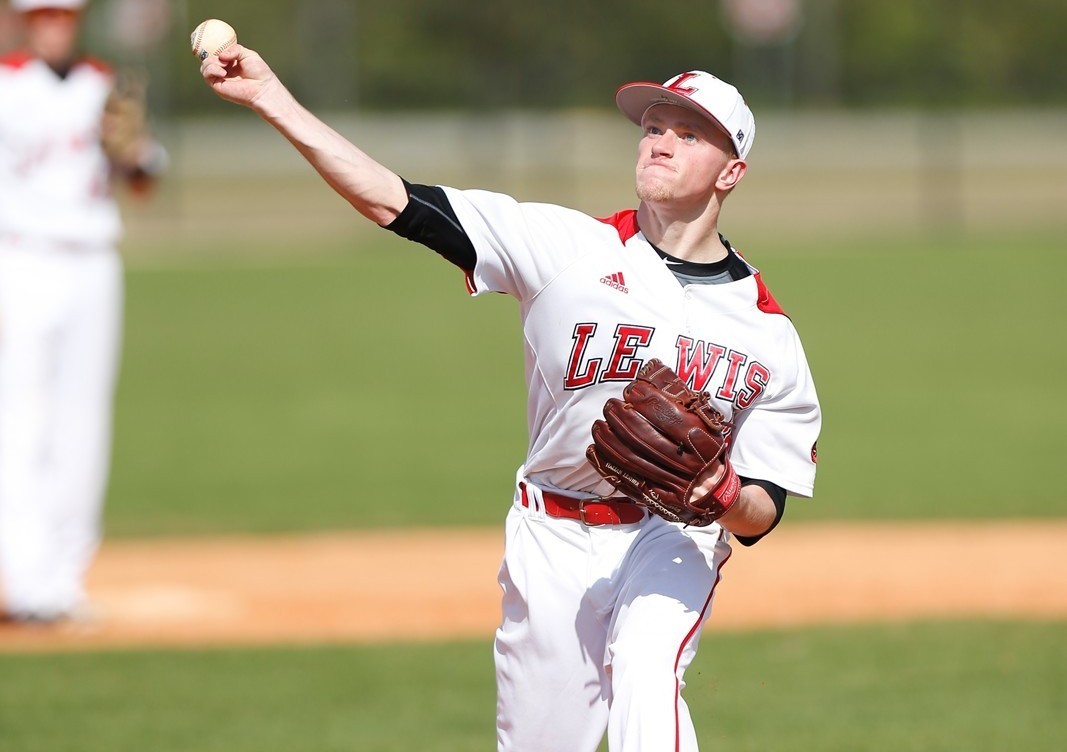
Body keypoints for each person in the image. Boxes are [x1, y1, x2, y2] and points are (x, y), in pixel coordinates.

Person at [199, 44, 820, 751]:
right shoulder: (566, 248)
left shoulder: (766, 332)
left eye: (688, 133)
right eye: (653, 127)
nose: (660, 143)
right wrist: (270, 98)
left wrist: (720, 493)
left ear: (731, 171)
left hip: (669, 535)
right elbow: (391, 199)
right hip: (550, 535)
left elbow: (760, 509)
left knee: (648, 674)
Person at [0, 0, 165, 624]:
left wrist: (131, 149)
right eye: (42, 15)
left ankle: (64, 581)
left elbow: (145, 178)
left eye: (62, 16)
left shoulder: (104, 86)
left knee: (82, 423)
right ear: (25, 20)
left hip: (94, 260)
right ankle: (27, 583)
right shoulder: (6, 85)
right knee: (20, 422)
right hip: (20, 259)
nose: (53, 26)